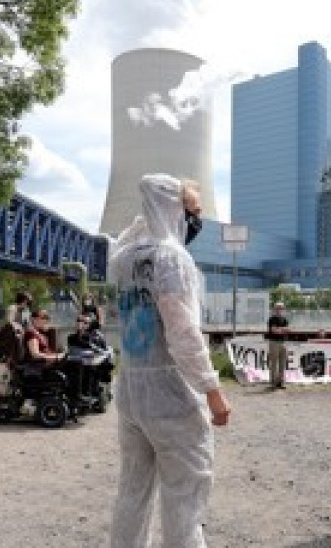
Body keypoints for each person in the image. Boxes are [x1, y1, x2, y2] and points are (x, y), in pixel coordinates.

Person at [108, 174, 231, 548]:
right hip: (171, 395)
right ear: (174, 209)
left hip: (131, 388)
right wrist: (212, 390)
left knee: (133, 490)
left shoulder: (123, 258)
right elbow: (183, 332)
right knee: (185, 495)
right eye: (194, 211)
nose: (197, 220)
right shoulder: (172, 258)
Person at [266, 302, 291, 389]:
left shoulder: (285, 319)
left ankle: (281, 382)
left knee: (282, 363)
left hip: (283, 342)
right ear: (275, 309)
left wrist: (280, 329)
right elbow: (274, 331)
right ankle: (273, 382)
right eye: (278, 308)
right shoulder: (272, 319)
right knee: (274, 363)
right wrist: (282, 329)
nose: (279, 309)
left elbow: (288, 330)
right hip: (274, 342)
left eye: (281, 308)